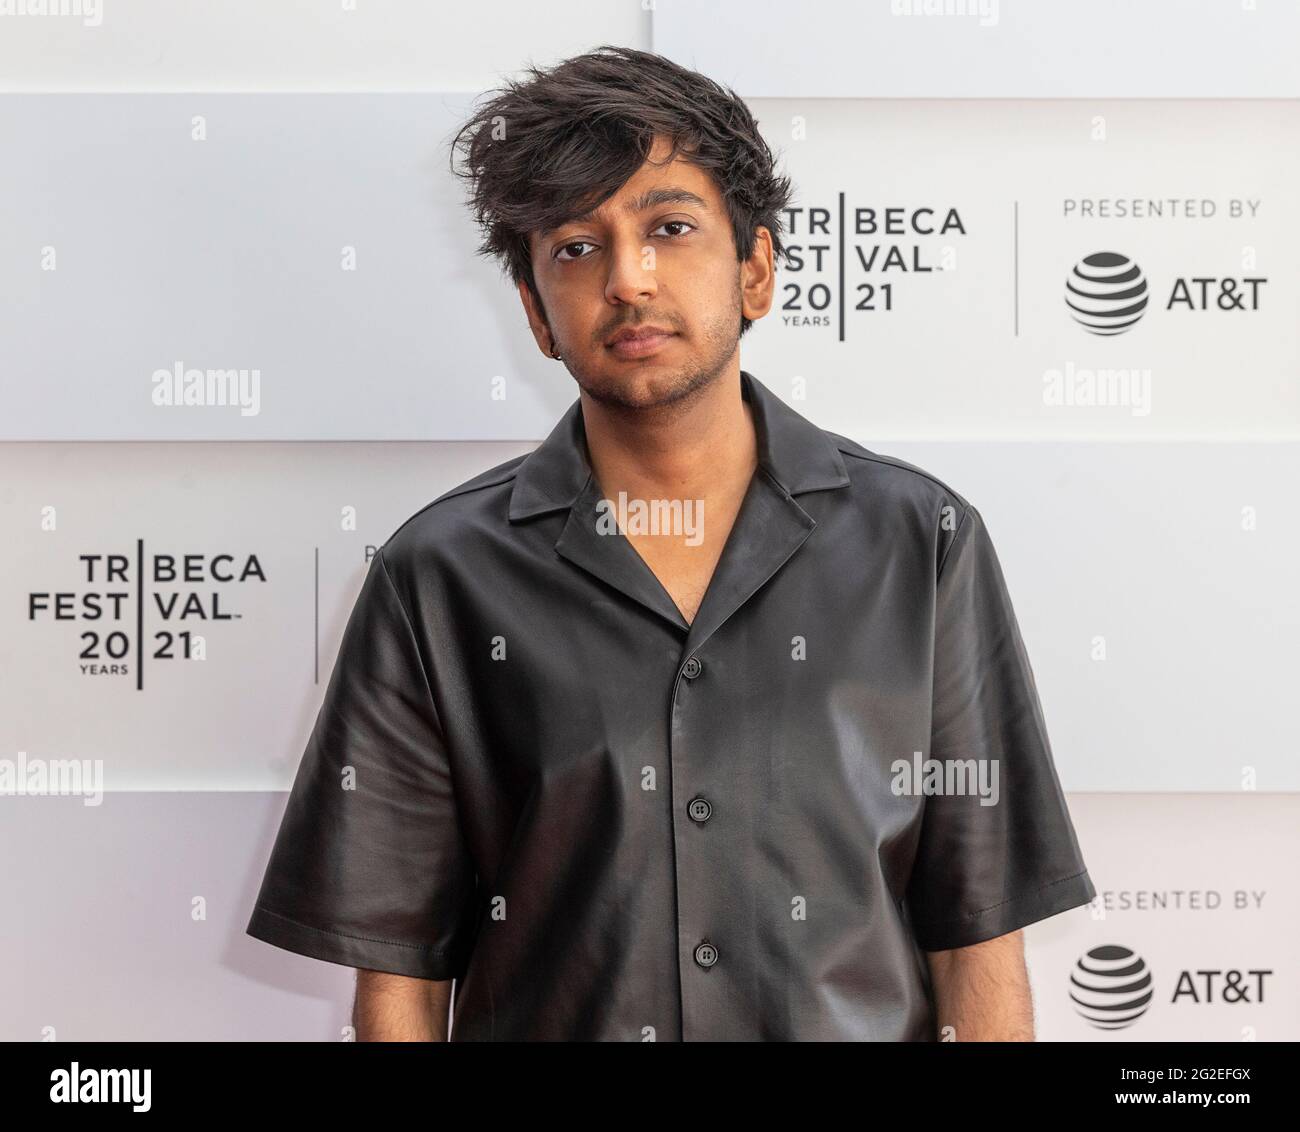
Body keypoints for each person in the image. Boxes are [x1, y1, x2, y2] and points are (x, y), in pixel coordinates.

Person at [246, 45, 1095, 1041]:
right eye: (575, 247)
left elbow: (978, 939)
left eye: (670, 228)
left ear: (757, 270)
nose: (627, 279)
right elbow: (397, 977)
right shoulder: (438, 576)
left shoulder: (922, 544)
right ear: (534, 313)